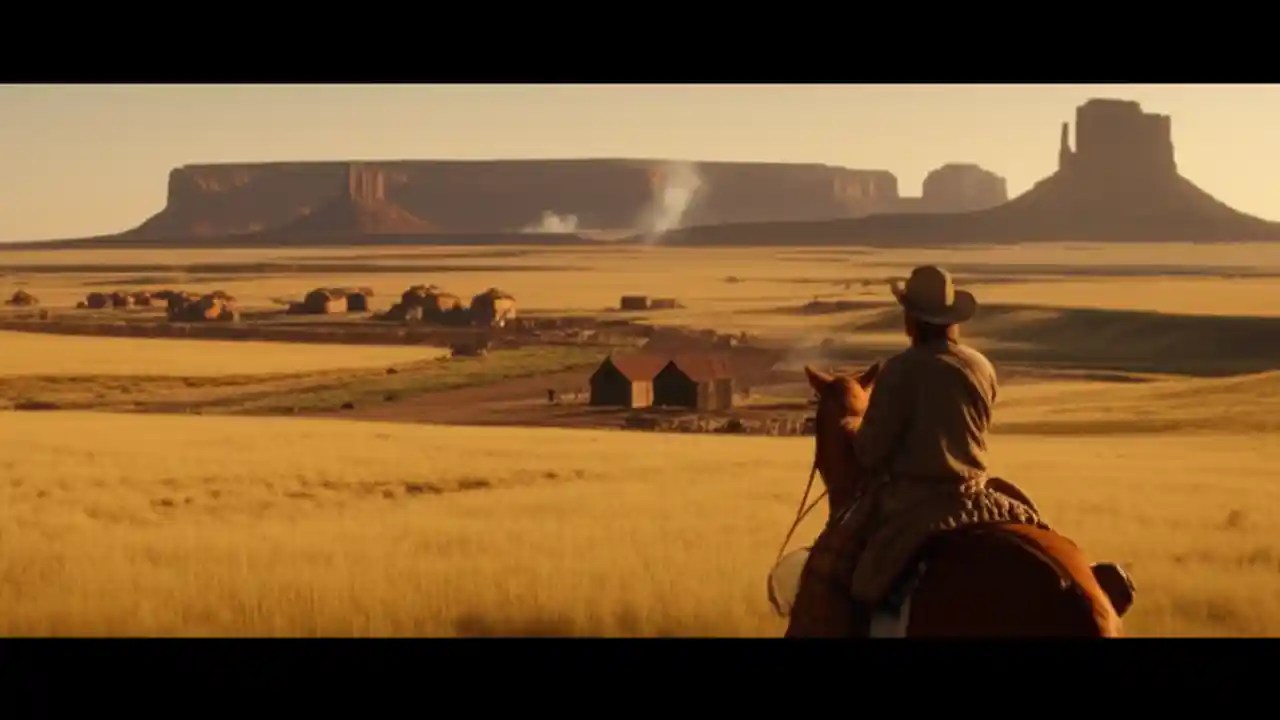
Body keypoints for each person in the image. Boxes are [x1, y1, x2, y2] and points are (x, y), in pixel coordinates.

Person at [838, 265, 1041, 632]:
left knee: (859, 583)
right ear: (951, 318)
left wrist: (853, 430)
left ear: (911, 320)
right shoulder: (981, 366)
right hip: (980, 496)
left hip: (915, 506)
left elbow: (870, 453)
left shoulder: (901, 370)